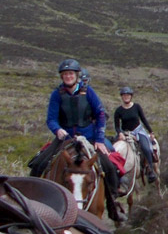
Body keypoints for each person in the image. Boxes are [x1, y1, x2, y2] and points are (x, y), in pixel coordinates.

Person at [28, 58, 123, 220]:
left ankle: (112, 205)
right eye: (65, 74)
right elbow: (51, 118)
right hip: (65, 138)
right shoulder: (57, 95)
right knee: (38, 164)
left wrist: (99, 139)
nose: (68, 76)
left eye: (70, 73)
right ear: (62, 76)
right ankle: (33, 203)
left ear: (76, 75)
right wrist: (57, 130)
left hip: (89, 137)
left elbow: (100, 114)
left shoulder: (89, 92)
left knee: (108, 165)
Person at [114, 86, 157, 183]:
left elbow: (143, 119)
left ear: (131, 96)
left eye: (128, 95)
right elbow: (117, 126)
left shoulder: (136, 107)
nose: (126, 97)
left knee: (146, 148)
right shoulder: (118, 111)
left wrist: (150, 131)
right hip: (125, 133)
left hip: (138, 131)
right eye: (124, 95)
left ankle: (150, 170)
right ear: (122, 97)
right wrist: (120, 133)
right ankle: (116, 172)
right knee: (114, 150)